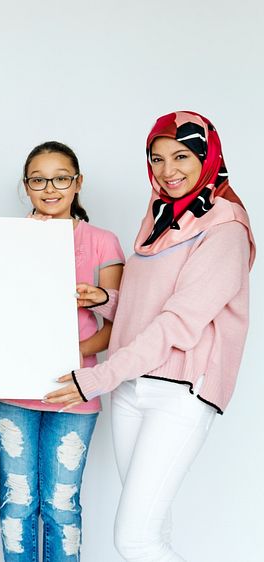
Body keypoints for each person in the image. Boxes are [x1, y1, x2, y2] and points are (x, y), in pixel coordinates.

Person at [45, 111, 254, 561]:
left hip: (180, 392)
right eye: (157, 159)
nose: (167, 170)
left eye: (181, 156)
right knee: (153, 534)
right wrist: (103, 299)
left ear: (207, 155)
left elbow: (179, 322)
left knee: (134, 540)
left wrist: (97, 378)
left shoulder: (225, 227)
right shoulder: (159, 216)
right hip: (132, 387)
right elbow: (146, 309)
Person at [0, 141, 124, 560]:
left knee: (62, 505)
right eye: (38, 180)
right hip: (13, 390)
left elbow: (119, 323)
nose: (50, 188)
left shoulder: (101, 242)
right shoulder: (5, 238)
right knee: (18, 502)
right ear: (25, 187)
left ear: (78, 183)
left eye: (61, 178)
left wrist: (70, 351)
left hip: (75, 391)